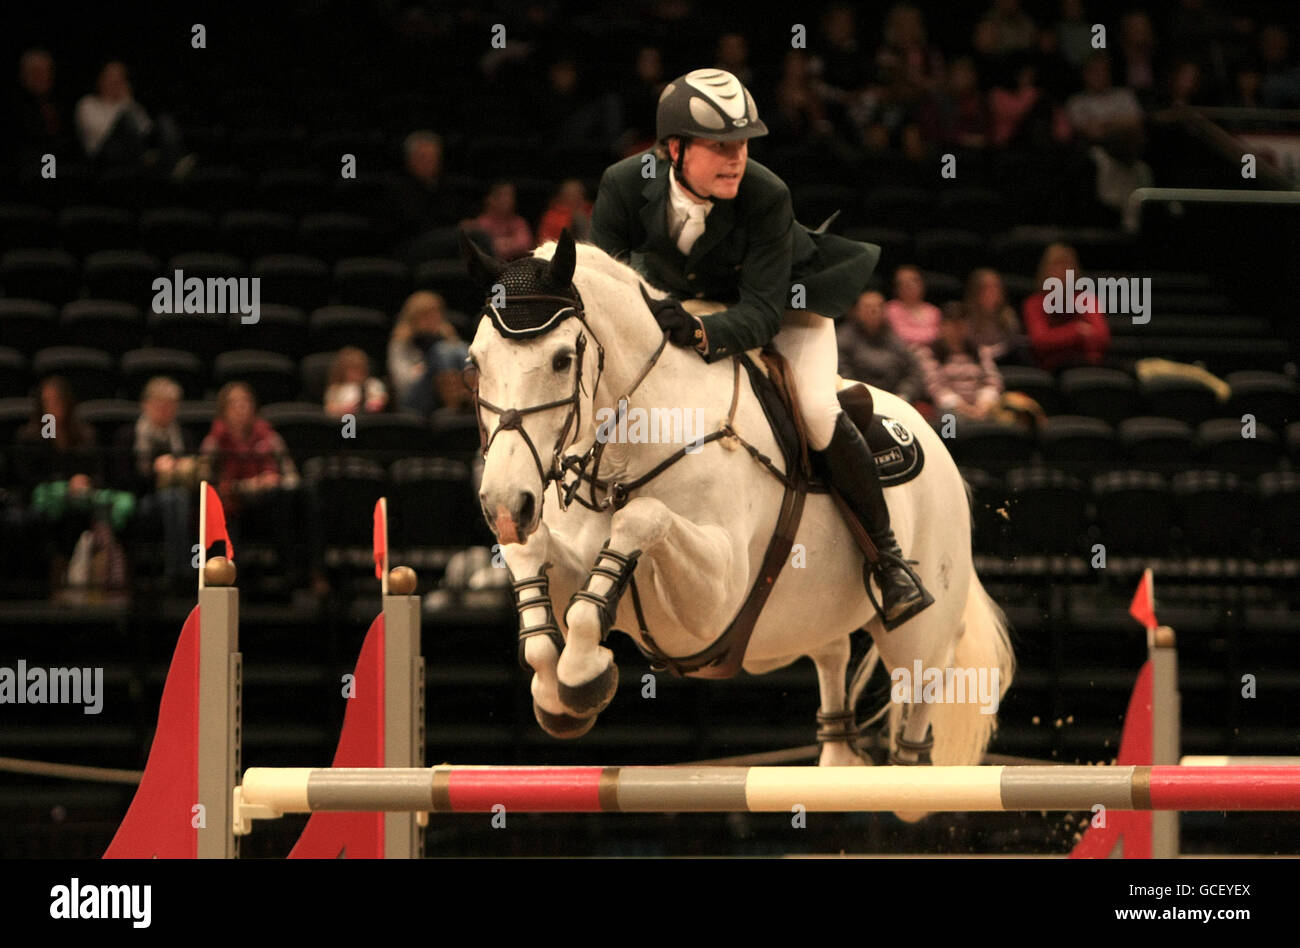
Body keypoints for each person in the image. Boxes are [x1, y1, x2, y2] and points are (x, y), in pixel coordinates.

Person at [590, 68, 931, 627]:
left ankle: (889, 562)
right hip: (677, 310)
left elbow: (763, 311)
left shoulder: (767, 195)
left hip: (783, 309)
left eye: (743, 144)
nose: (736, 158)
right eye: (720, 145)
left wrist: (701, 334)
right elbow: (602, 283)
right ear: (674, 148)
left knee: (818, 412)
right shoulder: (623, 184)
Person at [111, 377, 197, 591]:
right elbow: (120, 480)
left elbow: (197, 477)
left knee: (177, 498)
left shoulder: (184, 437)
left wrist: (182, 470)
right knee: (174, 498)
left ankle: (178, 570)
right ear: (146, 404)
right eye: (160, 404)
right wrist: (153, 472)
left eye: (171, 405)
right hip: (140, 500)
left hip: (181, 500)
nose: (165, 410)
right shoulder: (128, 436)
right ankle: (180, 571)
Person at [1022, 243, 1110, 372]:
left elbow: (1102, 338)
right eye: (1056, 265)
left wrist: (1059, 339)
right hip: (1052, 369)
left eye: (1067, 266)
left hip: (1088, 365)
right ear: (1045, 270)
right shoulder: (1034, 303)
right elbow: (1040, 342)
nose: (1062, 272)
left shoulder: (1086, 300)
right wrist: (1078, 330)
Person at [388, 290, 471, 416]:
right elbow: (403, 381)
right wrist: (427, 368)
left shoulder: (447, 336)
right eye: (426, 315)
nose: (433, 319)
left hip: (444, 392)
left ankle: (470, 398)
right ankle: (455, 407)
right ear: (414, 317)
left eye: (436, 314)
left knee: (462, 347)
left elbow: (461, 362)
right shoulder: (401, 341)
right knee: (440, 350)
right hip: (413, 398)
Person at [836, 290, 926, 403]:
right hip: (857, 402)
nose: (873, 311)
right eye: (867, 306)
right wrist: (861, 397)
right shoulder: (843, 338)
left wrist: (904, 394)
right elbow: (843, 374)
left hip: (895, 399)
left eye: (878, 307)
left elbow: (914, 370)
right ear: (856, 311)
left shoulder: (894, 337)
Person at [918, 303, 1004, 419]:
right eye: (952, 324)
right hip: (948, 410)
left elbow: (993, 381)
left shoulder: (979, 351)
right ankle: (949, 437)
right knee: (950, 421)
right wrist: (964, 408)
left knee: (1003, 417)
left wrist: (983, 404)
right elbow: (935, 388)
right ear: (942, 327)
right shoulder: (930, 353)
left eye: (961, 325)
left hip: (982, 406)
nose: (957, 330)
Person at [963, 268, 1024, 363]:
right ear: (975, 293)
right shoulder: (964, 318)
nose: (992, 294)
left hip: (1005, 362)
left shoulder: (1009, 318)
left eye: (996, 288)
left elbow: (1012, 345)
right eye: (987, 289)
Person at [462, 181, 533, 261]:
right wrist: (505, 243)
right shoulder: (481, 223)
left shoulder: (519, 222)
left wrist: (498, 243)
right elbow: (478, 248)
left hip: (514, 268)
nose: (509, 199)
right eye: (503, 195)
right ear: (490, 199)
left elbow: (525, 244)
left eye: (510, 195)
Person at [885, 264, 942, 349]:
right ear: (896, 287)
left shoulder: (934, 311)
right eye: (902, 282)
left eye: (913, 281)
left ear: (922, 284)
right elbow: (898, 335)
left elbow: (941, 336)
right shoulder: (890, 309)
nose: (908, 285)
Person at [323, 347, 388, 417]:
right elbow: (329, 408)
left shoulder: (372, 384)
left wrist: (373, 404)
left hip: (368, 420)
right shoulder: (336, 388)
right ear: (342, 371)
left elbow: (381, 398)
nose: (358, 374)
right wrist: (343, 409)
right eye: (353, 370)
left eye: (360, 369)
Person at [536, 178, 592, 244]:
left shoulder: (592, 212)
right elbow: (545, 241)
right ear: (562, 195)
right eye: (570, 194)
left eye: (577, 193)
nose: (574, 197)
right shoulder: (552, 217)